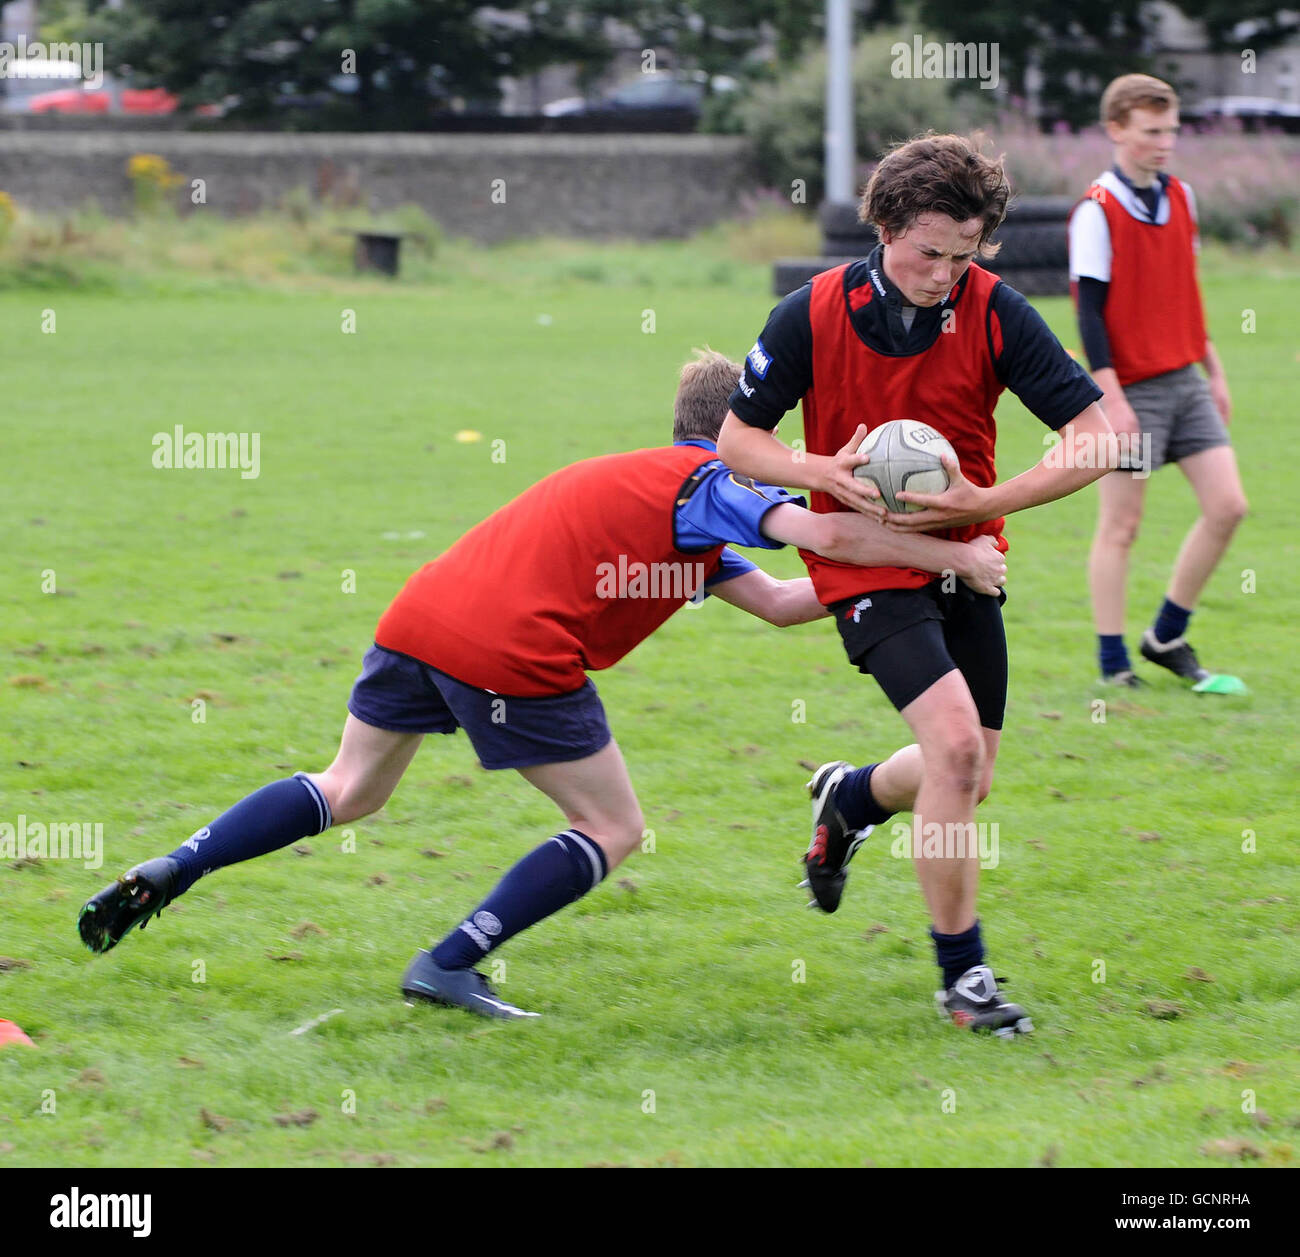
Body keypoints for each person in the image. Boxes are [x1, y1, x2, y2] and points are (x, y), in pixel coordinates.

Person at [78, 350, 1008, 1020]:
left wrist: (905, 577)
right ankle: (450, 962)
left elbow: (779, 600)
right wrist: (953, 555)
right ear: (742, 432)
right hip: (510, 649)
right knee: (614, 826)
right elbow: (824, 536)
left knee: (348, 786)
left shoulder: (658, 495)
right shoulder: (711, 478)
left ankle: (178, 865)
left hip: (421, 617)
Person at [716, 133, 1116, 1036]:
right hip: (862, 558)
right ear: (885, 227)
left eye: (962, 257)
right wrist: (819, 469)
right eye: (928, 253)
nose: (943, 274)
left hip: (968, 555)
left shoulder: (996, 311)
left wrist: (987, 500)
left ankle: (852, 797)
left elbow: (1098, 439)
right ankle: (963, 978)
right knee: (956, 748)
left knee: (971, 774)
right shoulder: (810, 313)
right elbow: (739, 440)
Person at [1069, 73, 1247, 688]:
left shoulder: (1183, 197)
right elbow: (1089, 314)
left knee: (1229, 507)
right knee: (1122, 526)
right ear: (1116, 130)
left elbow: (1184, 293)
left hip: (1186, 379)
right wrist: (1112, 398)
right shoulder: (1096, 210)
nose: (1165, 142)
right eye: (1151, 131)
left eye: (1171, 130)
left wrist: (1214, 369)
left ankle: (1166, 636)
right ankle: (1113, 665)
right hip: (1131, 389)